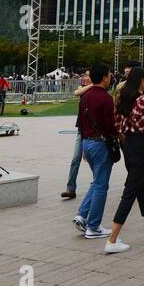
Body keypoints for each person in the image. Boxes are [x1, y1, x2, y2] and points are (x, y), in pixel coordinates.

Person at [103, 66, 144, 253]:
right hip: (141, 146)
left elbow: (117, 124)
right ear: (141, 80)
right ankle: (113, 239)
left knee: (141, 185)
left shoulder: (122, 98)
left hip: (128, 146)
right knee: (130, 191)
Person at [73, 63, 117, 239]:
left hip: (87, 143)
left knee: (97, 180)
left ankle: (82, 215)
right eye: (109, 75)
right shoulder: (106, 98)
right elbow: (110, 126)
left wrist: (84, 145)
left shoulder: (85, 96)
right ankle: (94, 226)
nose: (110, 77)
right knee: (101, 184)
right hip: (101, 145)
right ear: (104, 77)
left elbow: (81, 123)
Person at [62, 70, 91, 200]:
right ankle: (70, 188)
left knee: (93, 160)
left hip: (92, 132)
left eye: (87, 75)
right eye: (84, 75)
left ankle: (99, 183)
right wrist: (93, 84)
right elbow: (76, 92)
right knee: (75, 159)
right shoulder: (84, 89)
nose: (84, 77)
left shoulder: (99, 91)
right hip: (81, 130)